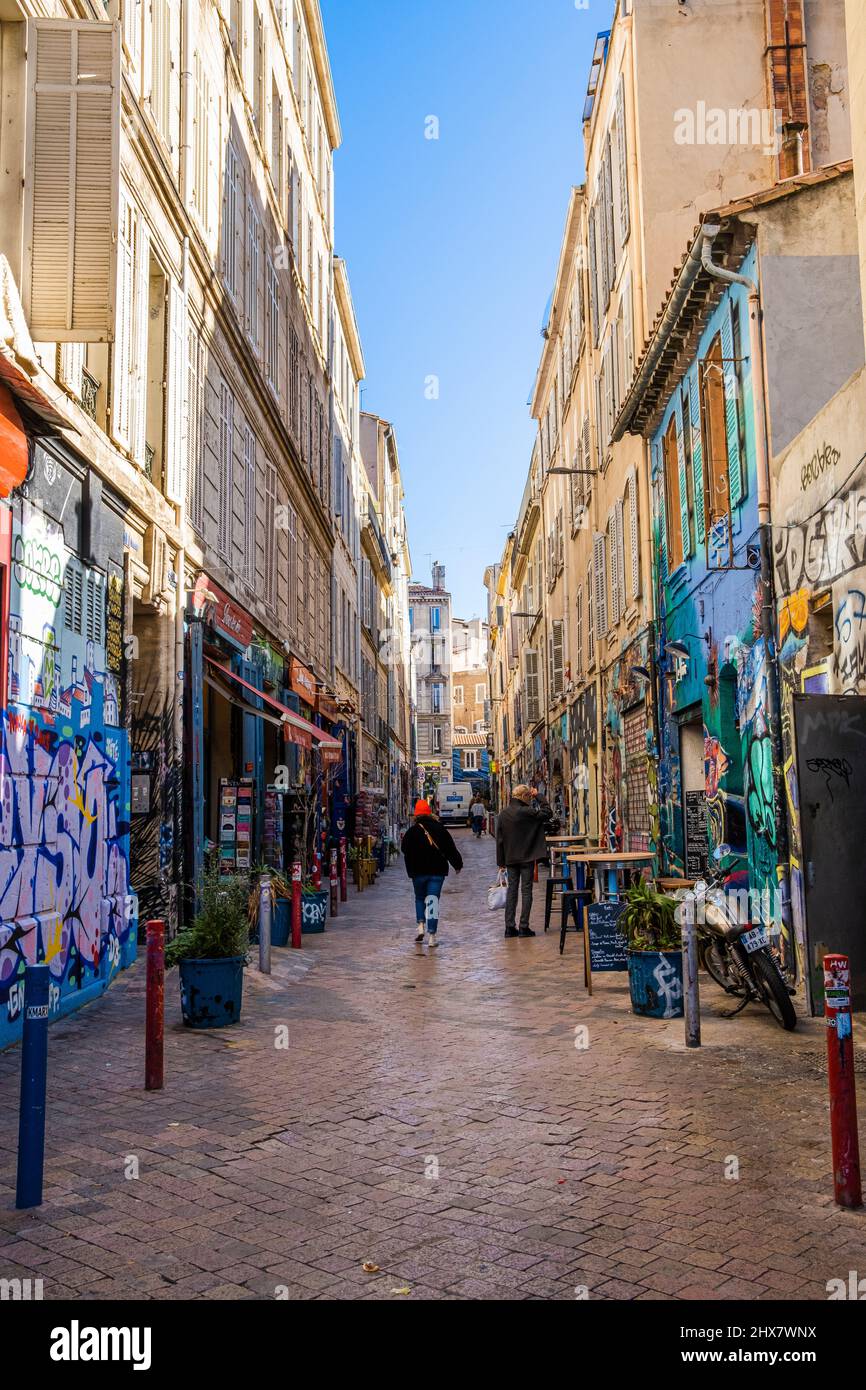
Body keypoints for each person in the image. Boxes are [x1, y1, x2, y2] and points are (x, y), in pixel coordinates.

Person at [401, 799, 463, 948]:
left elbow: (404, 849)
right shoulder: (440, 829)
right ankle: (432, 936)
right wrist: (457, 864)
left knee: (420, 898)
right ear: (430, 813)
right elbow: (450, 848)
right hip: (437, 871)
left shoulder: (411, 831)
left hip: (418, 872)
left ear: (415, 816)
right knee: (432, 901)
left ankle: (421, 924)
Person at [495, 784, 554, 938]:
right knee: (526, 891)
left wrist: (500, 862)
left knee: (512, 891)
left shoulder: (503, 814)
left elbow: (499, 840)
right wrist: (538, 795)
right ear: (525, 796)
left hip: (510, 858)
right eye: (528, 796)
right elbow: (547, 813)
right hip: (527, 857)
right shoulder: (527, 812)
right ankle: (523, 926)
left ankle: (509, 927)